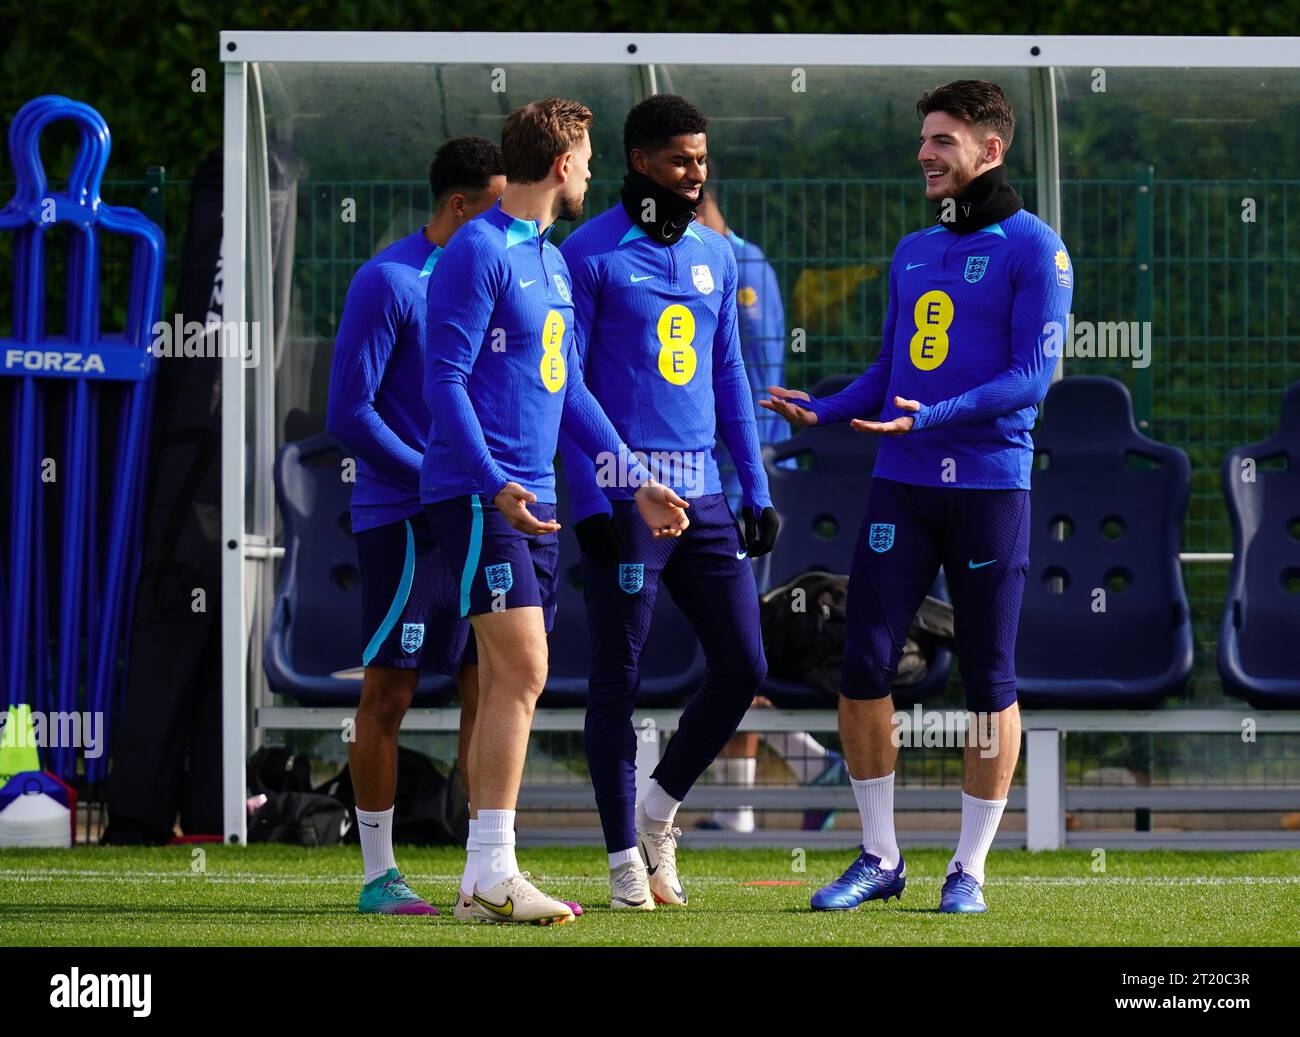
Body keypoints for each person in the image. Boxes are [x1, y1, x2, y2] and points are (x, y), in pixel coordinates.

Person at [763, 80, 1072, 914]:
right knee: (862, 663)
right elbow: (889, 374)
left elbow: (1030, 378)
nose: (926, 154)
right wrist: (823, 408)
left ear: (991, 150)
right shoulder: (912, 250)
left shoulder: (1036, 249)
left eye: (943, 140)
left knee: (988, 677)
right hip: (901, 482)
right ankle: (879, 855)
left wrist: (934, 414)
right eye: (925, 140)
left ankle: (968, 867)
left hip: (987, 487)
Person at [421, 97, 691, 926]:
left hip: (532, 496)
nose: (589, 174)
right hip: (480, 495)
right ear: (564, 164)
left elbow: (568, 387)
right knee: (526, 669)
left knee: (516, 678)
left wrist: (632, 476)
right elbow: (446, 380)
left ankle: (484, 877)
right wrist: (491, 478)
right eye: (584, 158)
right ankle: (491, 869)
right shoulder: (477, 251)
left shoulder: (550, 257)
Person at [556, 95, 779, 911]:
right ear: (643, 160)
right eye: (684, 160)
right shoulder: (586, 253)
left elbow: (731, 376)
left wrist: (752, 483)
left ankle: (657, 813)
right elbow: (564, 386)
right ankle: (622, 862)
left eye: (703, 158)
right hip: (624, 496)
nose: (698, 173)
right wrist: (594, 494)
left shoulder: (717, 256)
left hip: (704, 494)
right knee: (618, 676)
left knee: (746, 664)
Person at [326, 136, 504, 915]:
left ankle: (484, 865)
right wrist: (432, 476)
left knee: (488, 685)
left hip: (477, 511)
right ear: (459, 206)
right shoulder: (390, 280)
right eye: (498, 205)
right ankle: (378, 873)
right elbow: (349, 413)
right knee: (389, 693)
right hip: (404, 517)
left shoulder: (499, 273)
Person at [696, 186, 844, 834]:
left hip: (733, 480)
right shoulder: (748, 261)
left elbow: (739, 382)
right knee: (729, 638)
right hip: (737, 474)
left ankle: (744, 806)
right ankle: (801, 768)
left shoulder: (724, 265)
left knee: (735, 638)